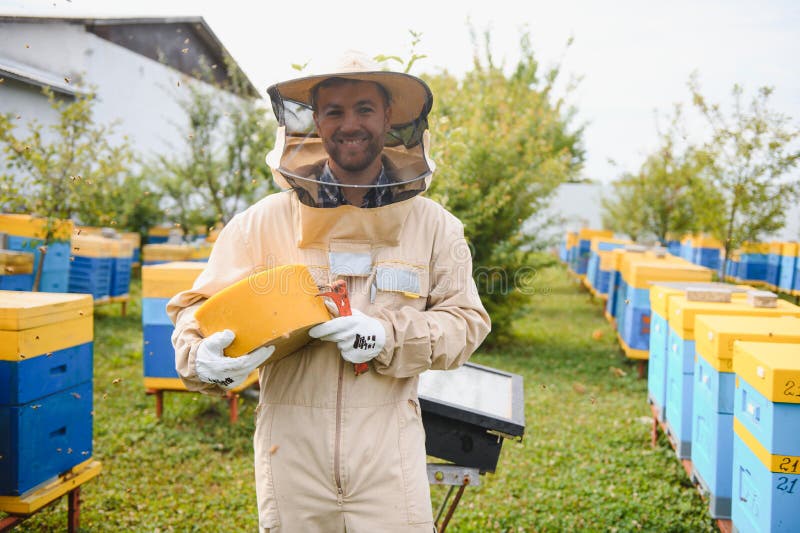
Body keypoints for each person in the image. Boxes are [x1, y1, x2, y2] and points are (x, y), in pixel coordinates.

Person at [167, 51, 490, 532]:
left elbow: (466, 322)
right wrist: (200, 358)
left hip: (389, 454)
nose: (349, 124)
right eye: (333, 110)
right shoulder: (260, 224)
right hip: (291, 454)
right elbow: (195, 318)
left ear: (389, 116)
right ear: (314, 120)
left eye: (364, 108)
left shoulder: (435, 227)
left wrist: (387, 336)